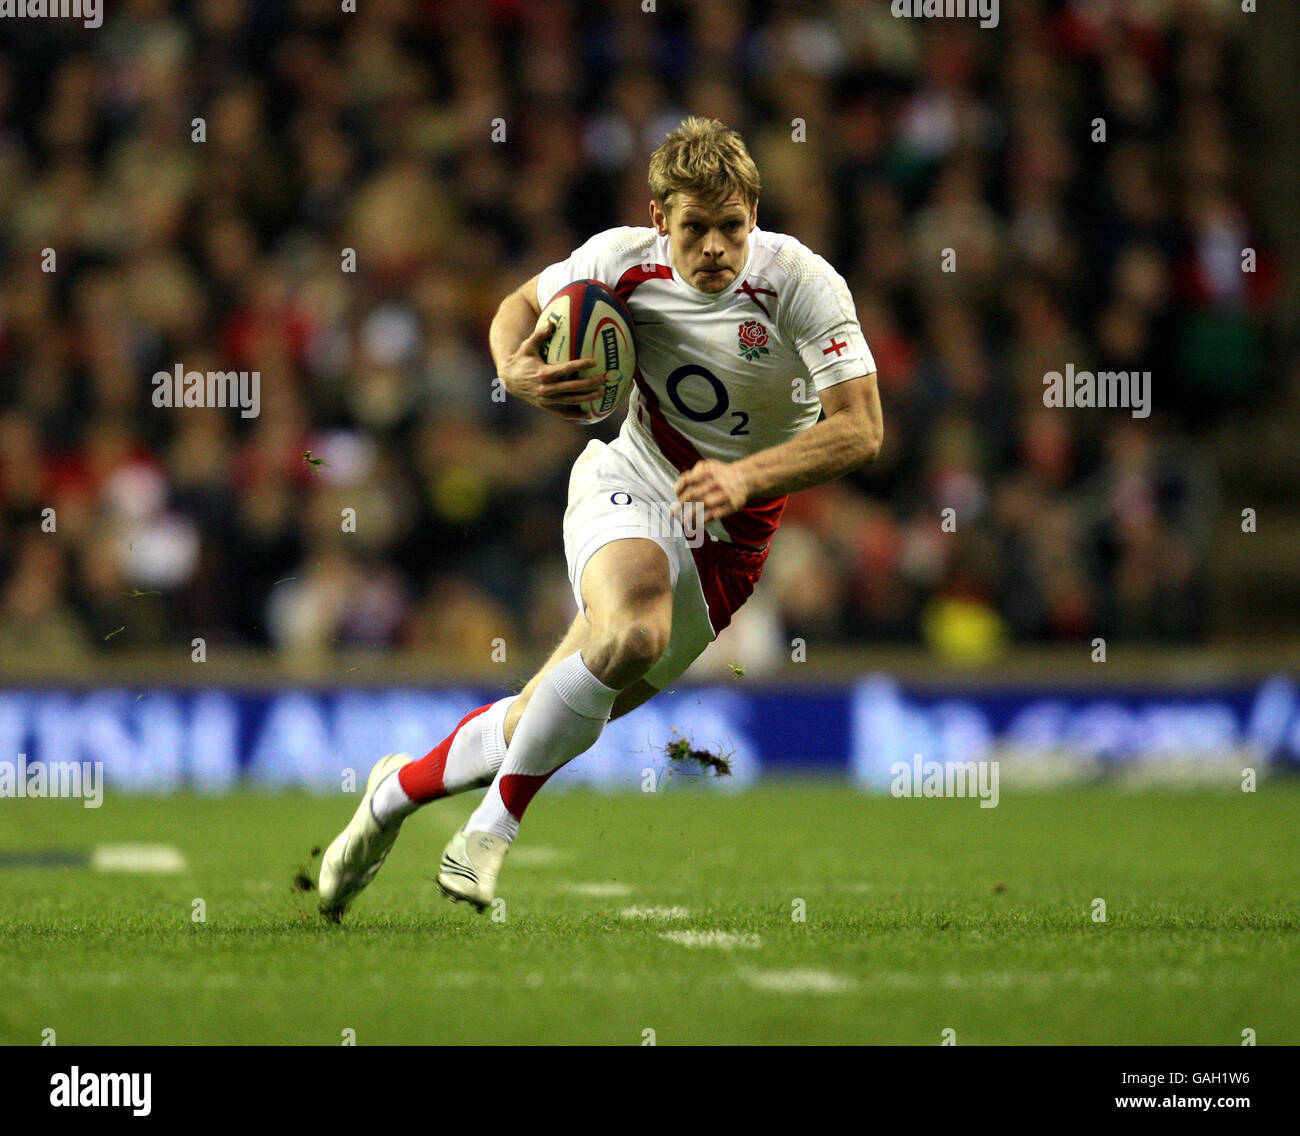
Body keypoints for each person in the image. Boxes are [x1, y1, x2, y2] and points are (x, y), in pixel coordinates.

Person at [317, 117, 883, 918]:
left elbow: (861, 427)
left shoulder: (802, 283)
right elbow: (518, 303)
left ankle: (390, 798)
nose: (716, 247)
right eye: (695, 228)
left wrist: (745, 476)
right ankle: (487, 837)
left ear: (754, 213)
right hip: (632, 478)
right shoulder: (617, 261)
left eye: (732, 226)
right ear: (661, 220)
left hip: (730, 537)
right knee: (634, 631)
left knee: (540, 718)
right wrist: (513, 369)